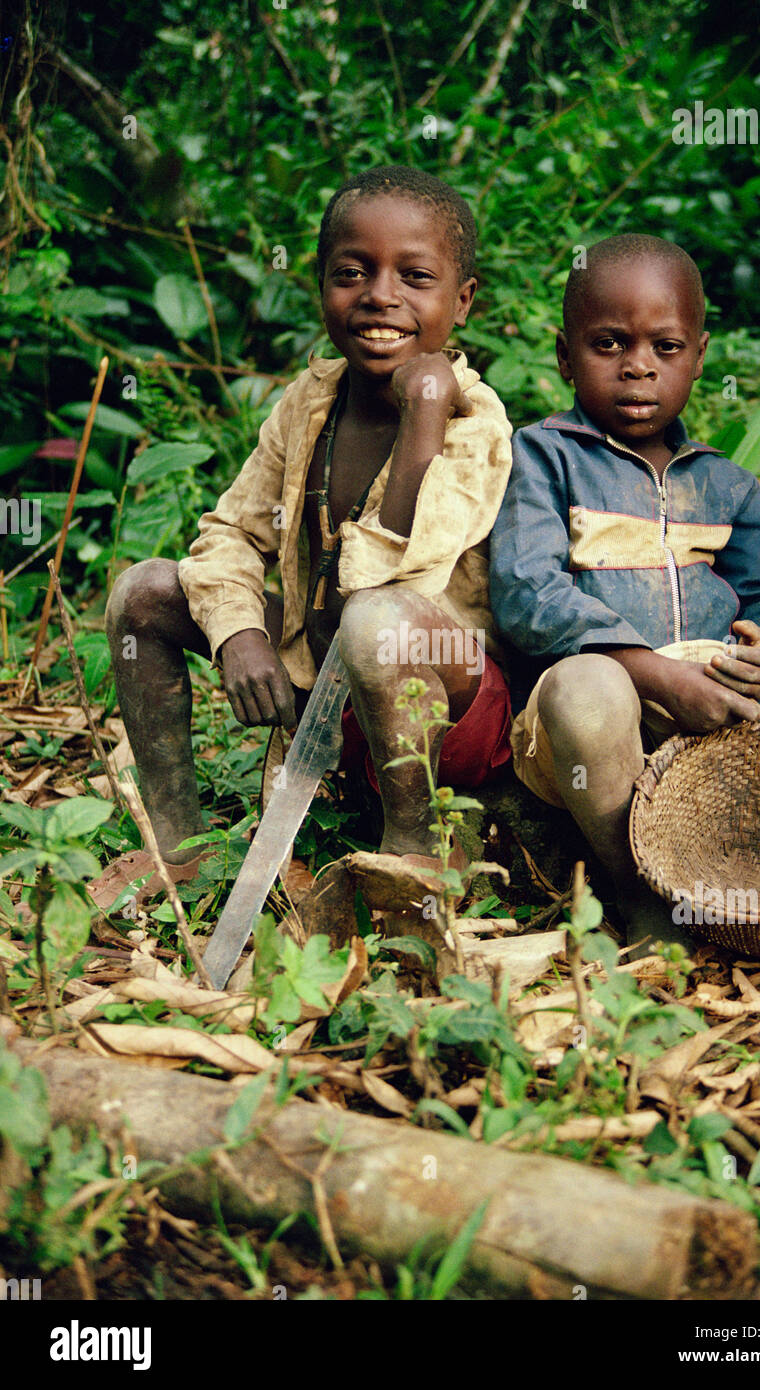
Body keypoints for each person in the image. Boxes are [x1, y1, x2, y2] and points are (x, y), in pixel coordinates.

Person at [105, 166, 512, 884]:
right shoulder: (310, 401)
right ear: (321, 284)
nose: (379, 295)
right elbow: (231, 531)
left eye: (414, 277)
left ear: (463, 300)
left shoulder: (473, 422)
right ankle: (179, 848)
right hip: (317, 683)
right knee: (142, 592)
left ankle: (413, 851)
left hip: (443, 714)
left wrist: (422, 411)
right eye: (352, 272)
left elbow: (396, 574)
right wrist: (240, 631)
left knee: (375, 617)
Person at [488, 233, 760, 951]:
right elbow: (525, 591)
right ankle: (644, 895)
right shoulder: (541, 456)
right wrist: (652, 671)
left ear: (699, 356)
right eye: (608, 345)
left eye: (665, 347)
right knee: (584, 691)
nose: (637, 368)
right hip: (608, 715)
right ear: (565, 356)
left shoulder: (725, 483)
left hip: (721, 702)